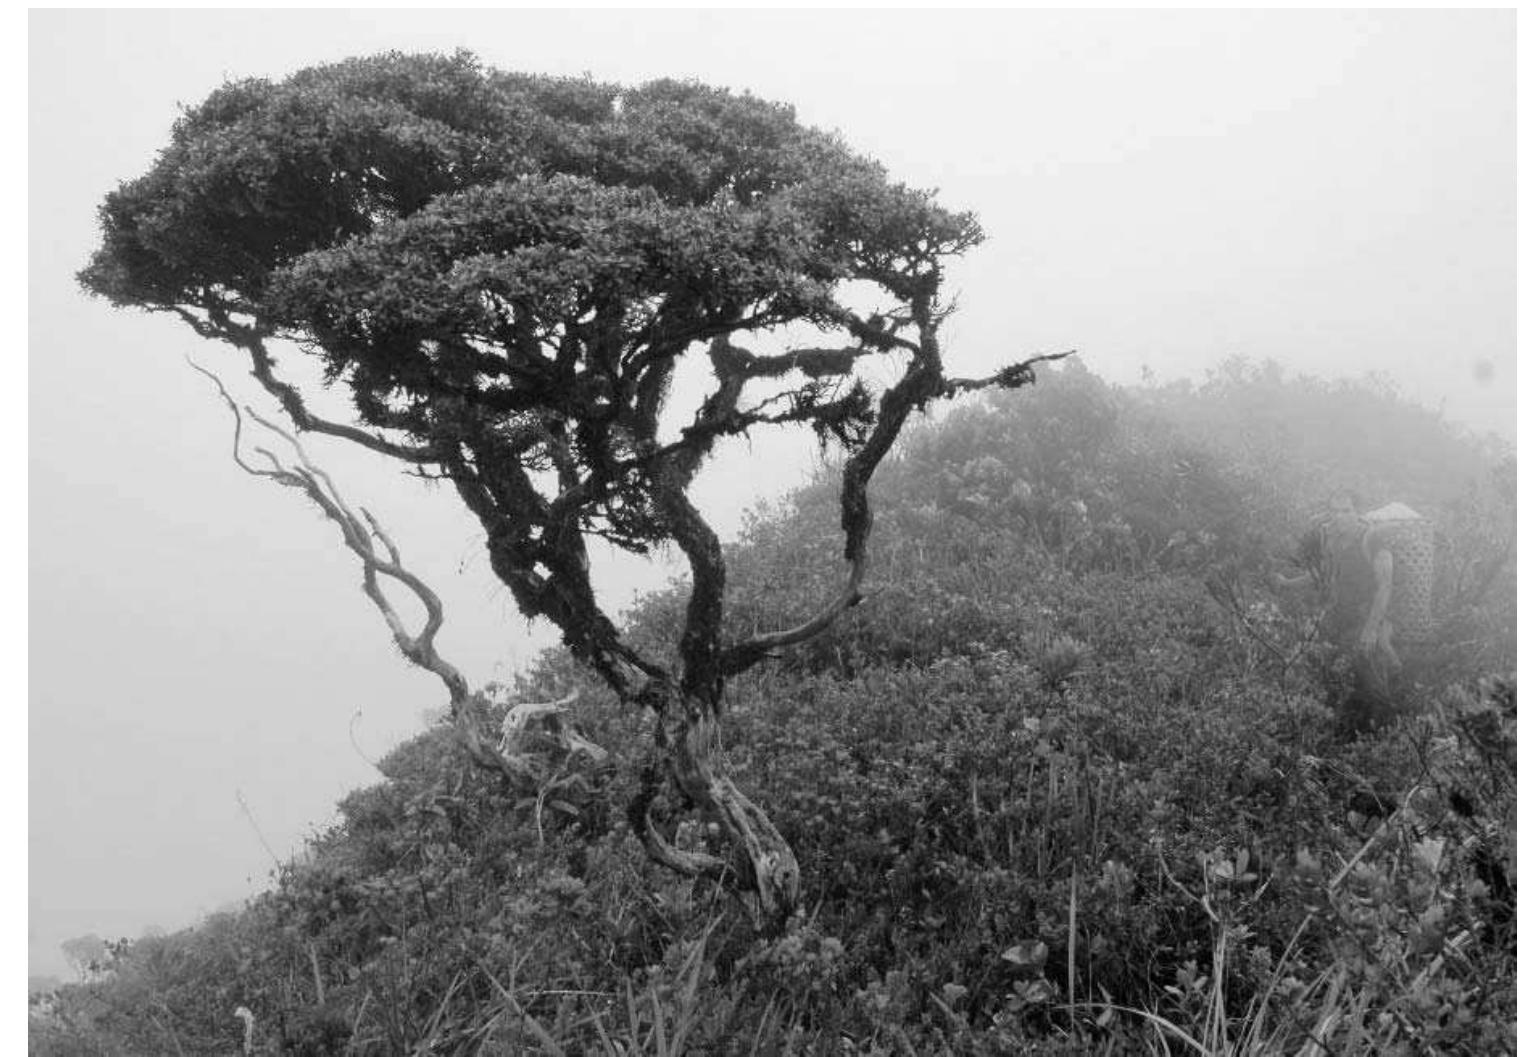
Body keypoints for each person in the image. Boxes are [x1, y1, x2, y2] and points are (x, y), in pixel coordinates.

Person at [1291, 494, 1434, 728]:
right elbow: (1324, 573)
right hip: (1342, 615)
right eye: (1335, 511)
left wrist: (1370, 629)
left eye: (1346, 510)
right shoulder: (1333, 541)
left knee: (1368, 669)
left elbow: (1385, 585)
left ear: (1357, 512)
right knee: (1327, 665)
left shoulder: (1372, 539)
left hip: (1370, 615)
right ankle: (1346, 724)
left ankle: (1390, 727)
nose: (1340, 516)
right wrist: (1287, 583)